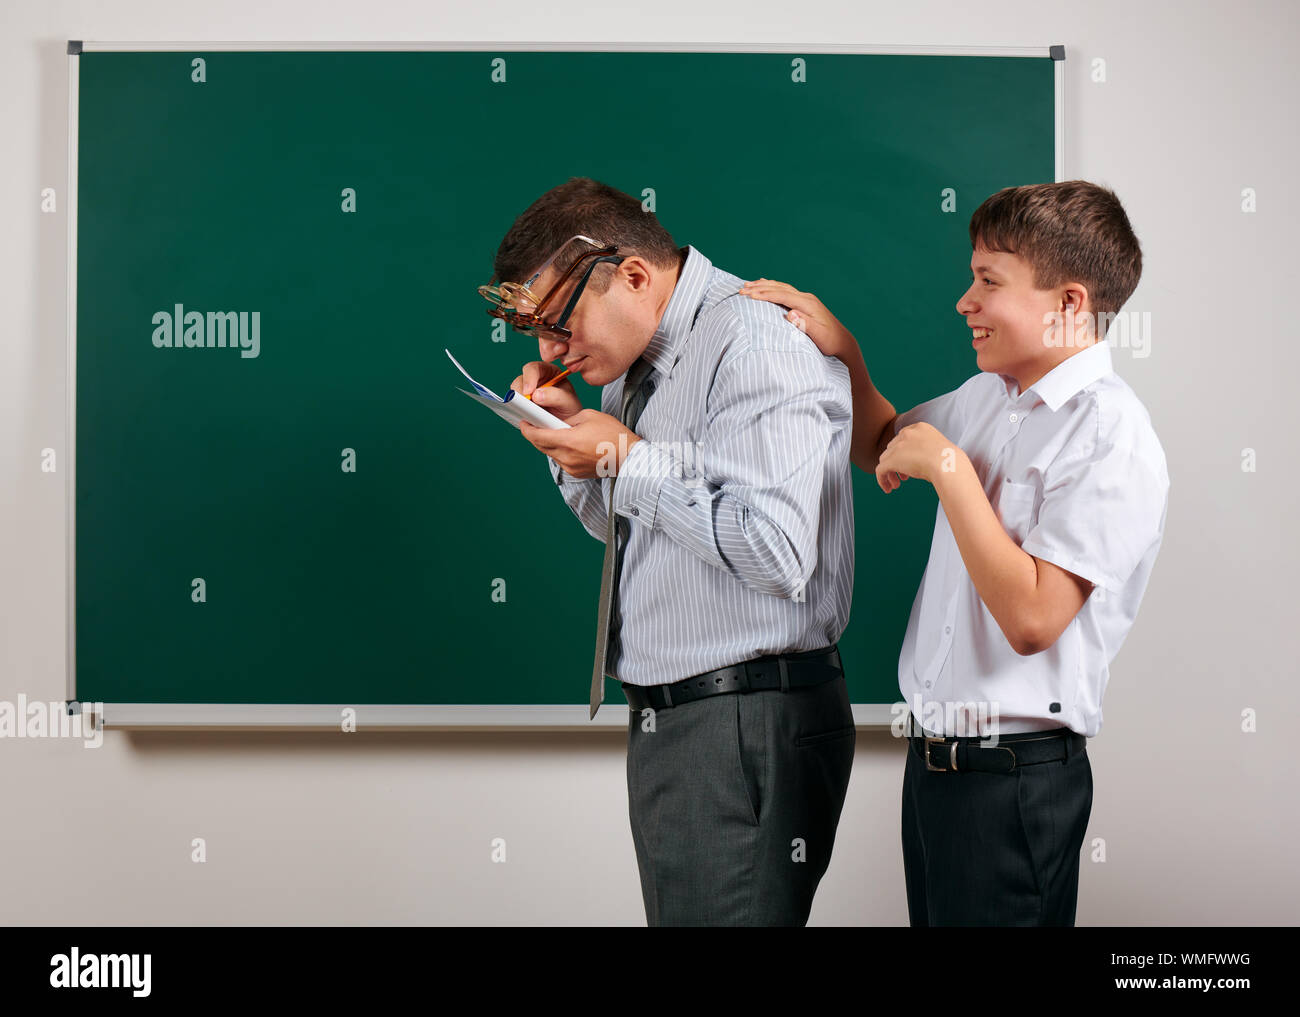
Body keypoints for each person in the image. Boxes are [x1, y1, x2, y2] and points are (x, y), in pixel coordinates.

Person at [740, 180, 1169, 926]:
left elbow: (1033, 617)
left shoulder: (1110, 435)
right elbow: (882, 446)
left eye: (988, 281)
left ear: (1069, 304)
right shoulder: (988, 397)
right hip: (936, 767)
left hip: (1013, 779)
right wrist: (845, 352)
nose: (964, 302)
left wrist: (949, 472)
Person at [480, 177, 856, 926]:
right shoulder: (634, 362)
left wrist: (627, 455)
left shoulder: (753, 342)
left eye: (559, 323)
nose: (553, 351)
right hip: (682, 721)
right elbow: (633, 531)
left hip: (742, 721)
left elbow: (778, 551)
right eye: (537, 337)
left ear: (634, 276)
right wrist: (570, 442)